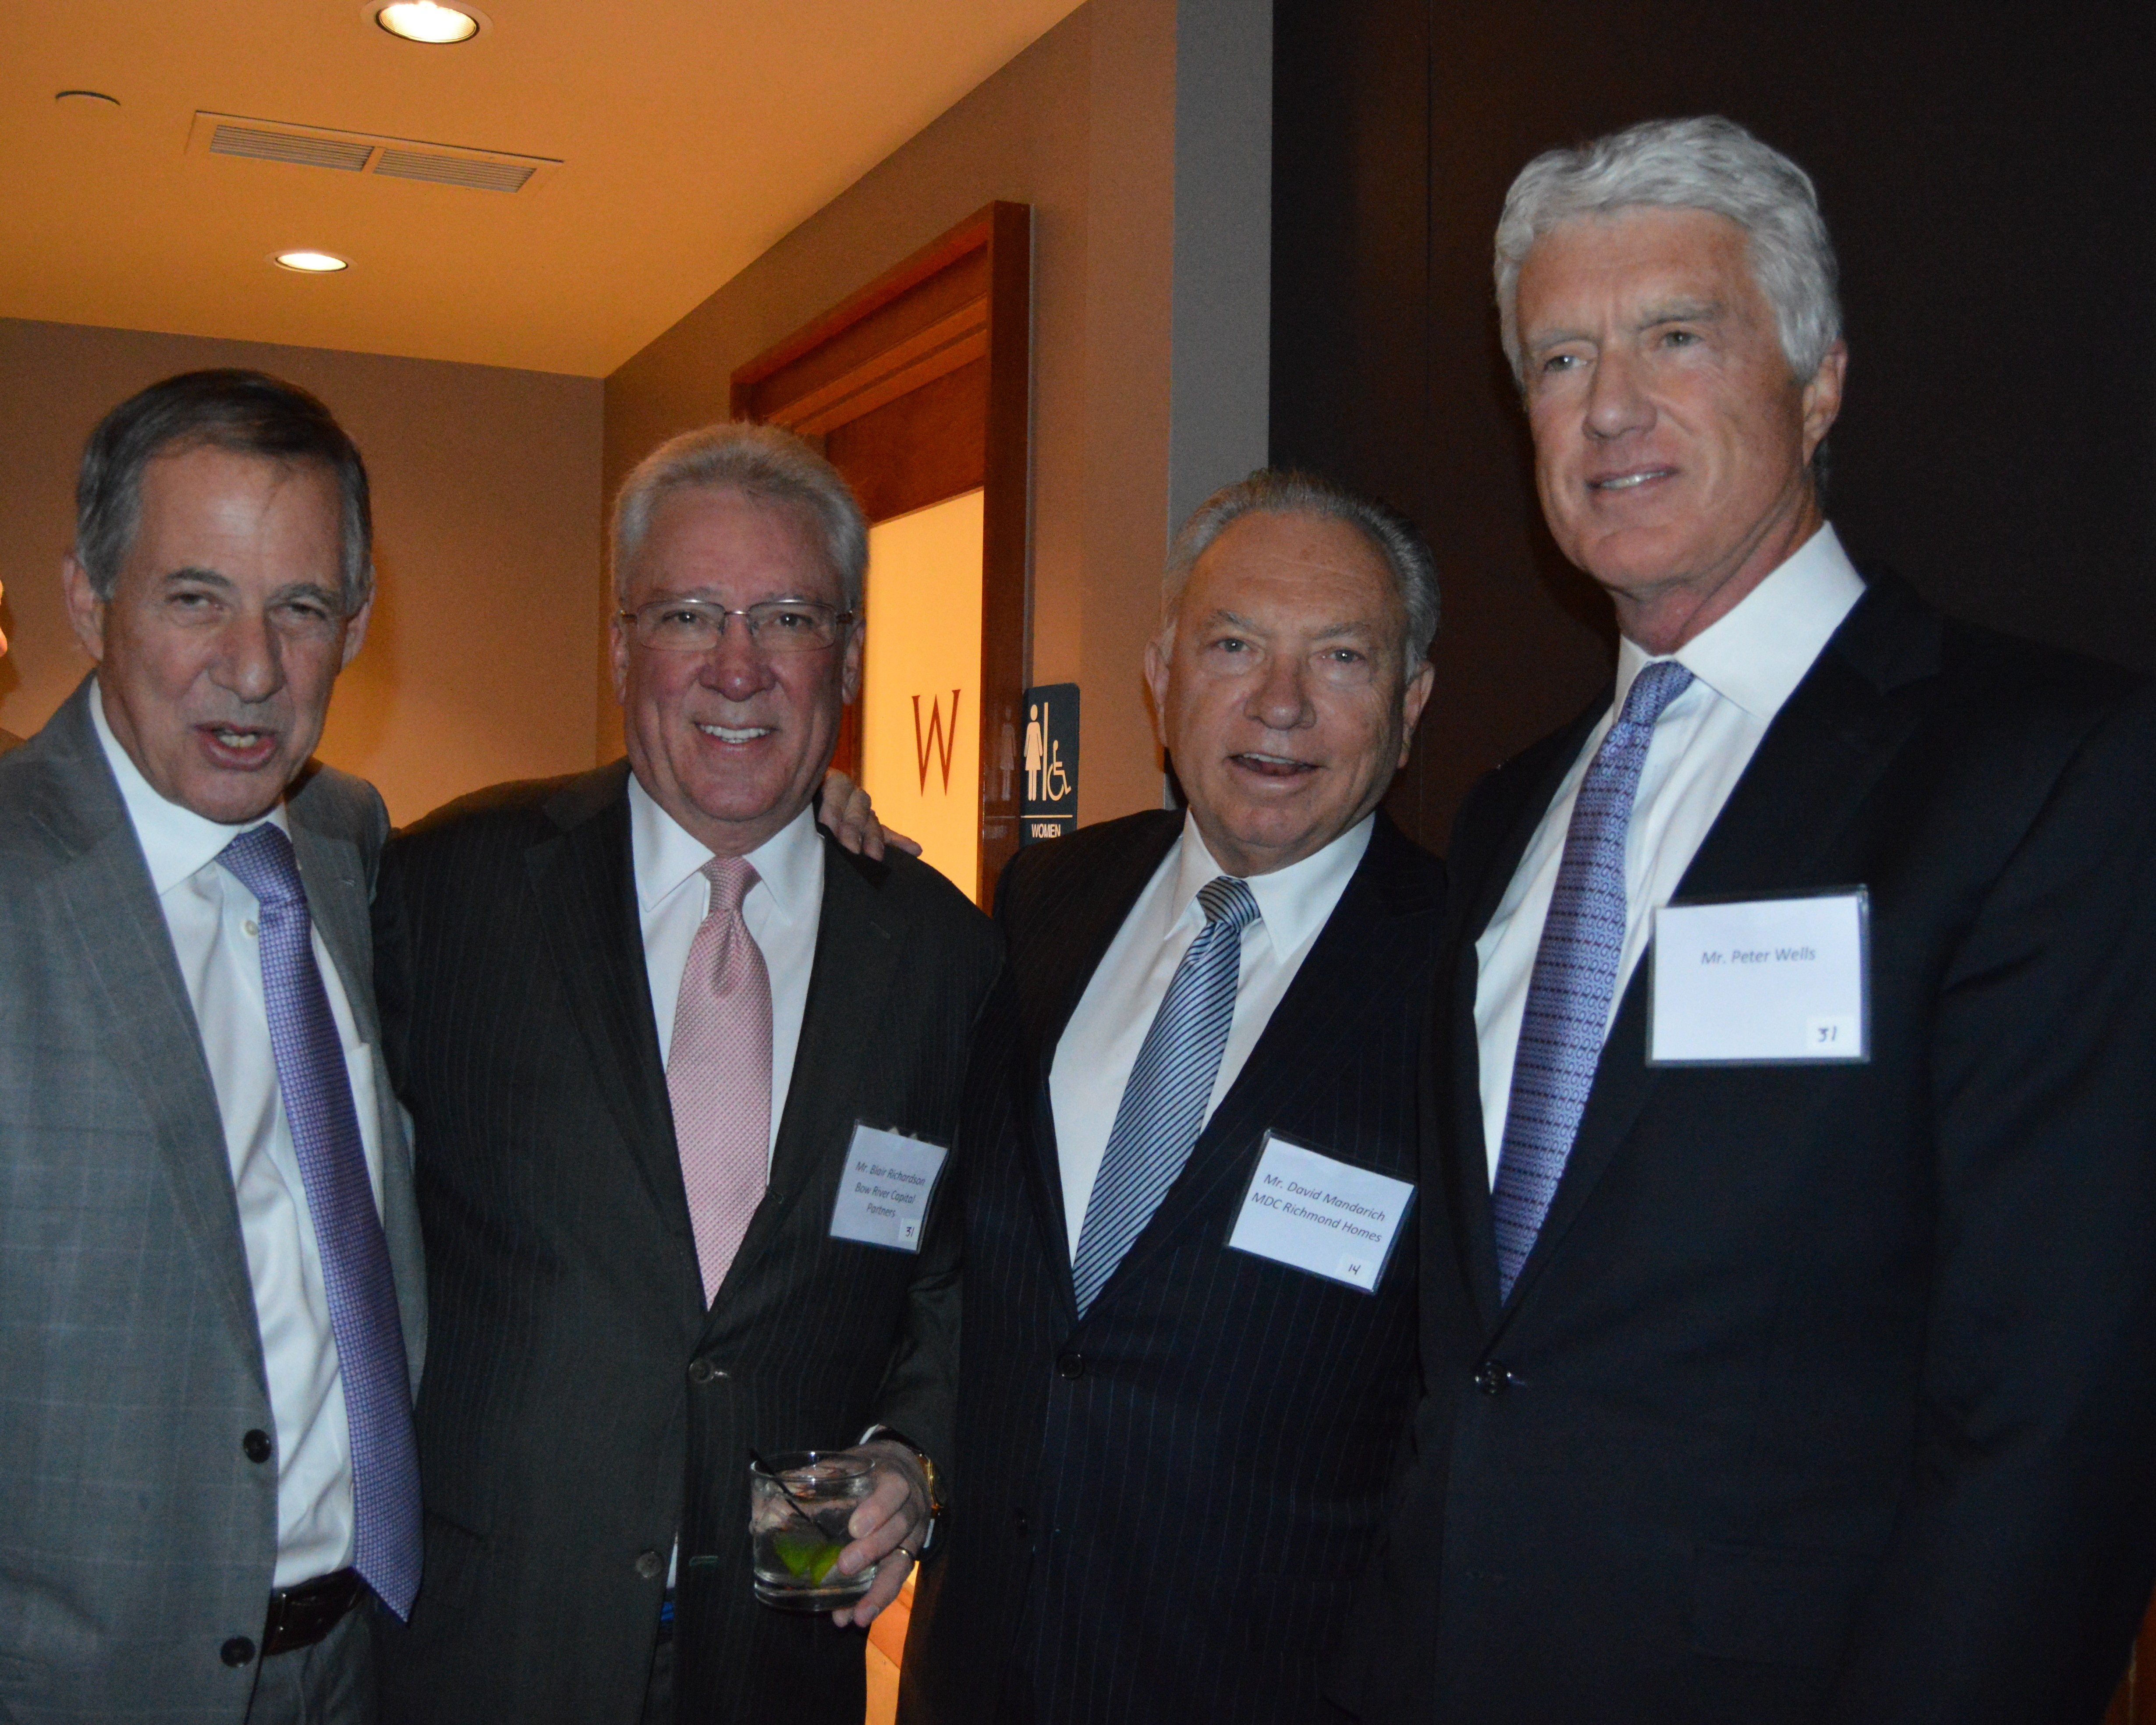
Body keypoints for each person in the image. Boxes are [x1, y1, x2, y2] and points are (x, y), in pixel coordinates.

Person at [1334, 117, 2156, 1723]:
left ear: (1820, 379)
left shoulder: (2037, 773)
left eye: (1675, 336)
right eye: (1559, 358)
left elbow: (2056, 1417)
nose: (1608, 406)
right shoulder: (1508, 810)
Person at [371, 423, 999, 1725]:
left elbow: (951, 1280)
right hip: (487, 1650)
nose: (737, 664)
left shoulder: (944, 956)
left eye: (787, 617)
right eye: (688, 615)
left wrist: (910, 1456)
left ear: (850, 656)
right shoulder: (449, 890)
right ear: (620, 647)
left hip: (778, 1656)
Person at [898, 469, 1445, 1725]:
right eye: (1233, 645)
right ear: (1161, 675)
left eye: (1342, 657)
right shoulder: (1044, 901)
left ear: (1411, 703)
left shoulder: (1468, 977)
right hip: (976, 1676)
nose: (1280, 703)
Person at [0, 369, 424, 1722]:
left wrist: (803, 832)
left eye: (301, 607)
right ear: (87, 600)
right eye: (196, 598)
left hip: (360, 1659)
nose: (253, 668)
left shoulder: (352, 844)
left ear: (355, 622)